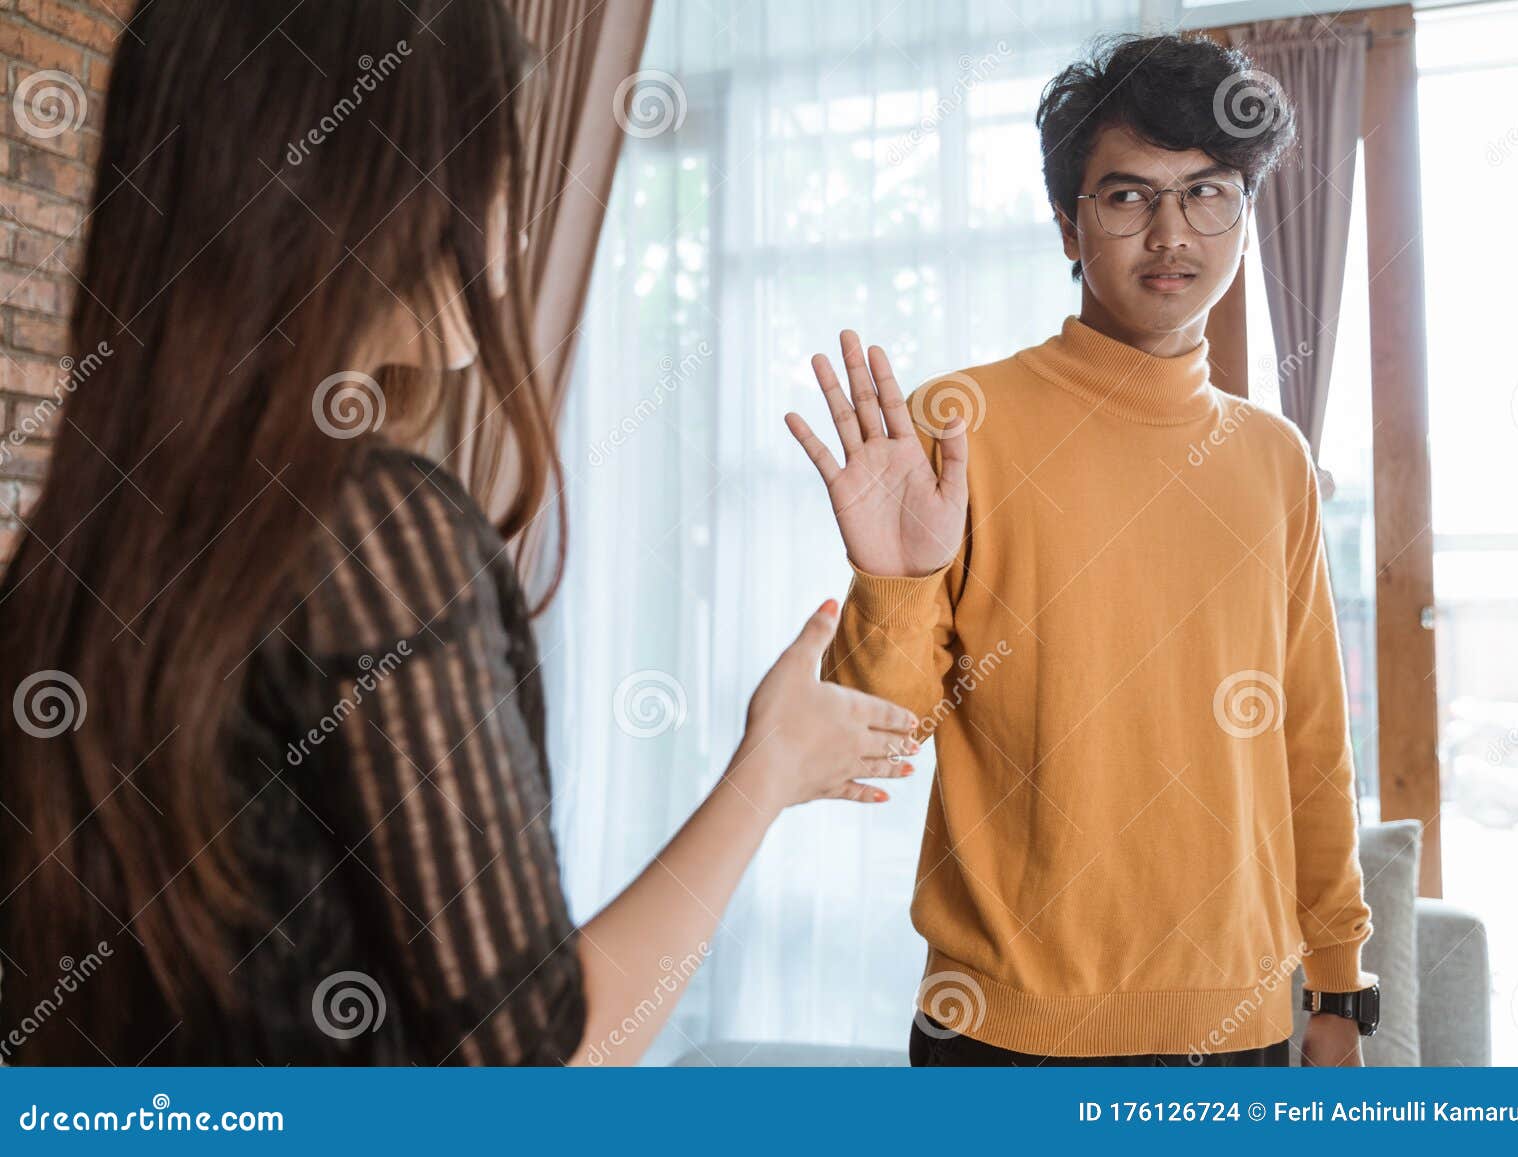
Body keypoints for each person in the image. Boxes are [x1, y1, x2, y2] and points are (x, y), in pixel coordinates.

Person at [0, 0, 919, 1066]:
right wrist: (768, 768)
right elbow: (530, 1073)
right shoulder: (369, 533)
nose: (512, 231)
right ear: (362, 187)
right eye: (488, 170)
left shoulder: (71, 556)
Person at [786, 32, 1378, 1067]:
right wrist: (895, 578)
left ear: (1243, 214)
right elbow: (878, 733)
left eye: (1207, 193)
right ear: (1067, 223)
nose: (1169, 232)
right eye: (1125, 196)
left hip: (1241, 1023)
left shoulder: (1272, 458)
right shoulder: (960, 423)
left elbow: (1311, 741)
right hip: (999, 1031)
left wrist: (1339, 980)